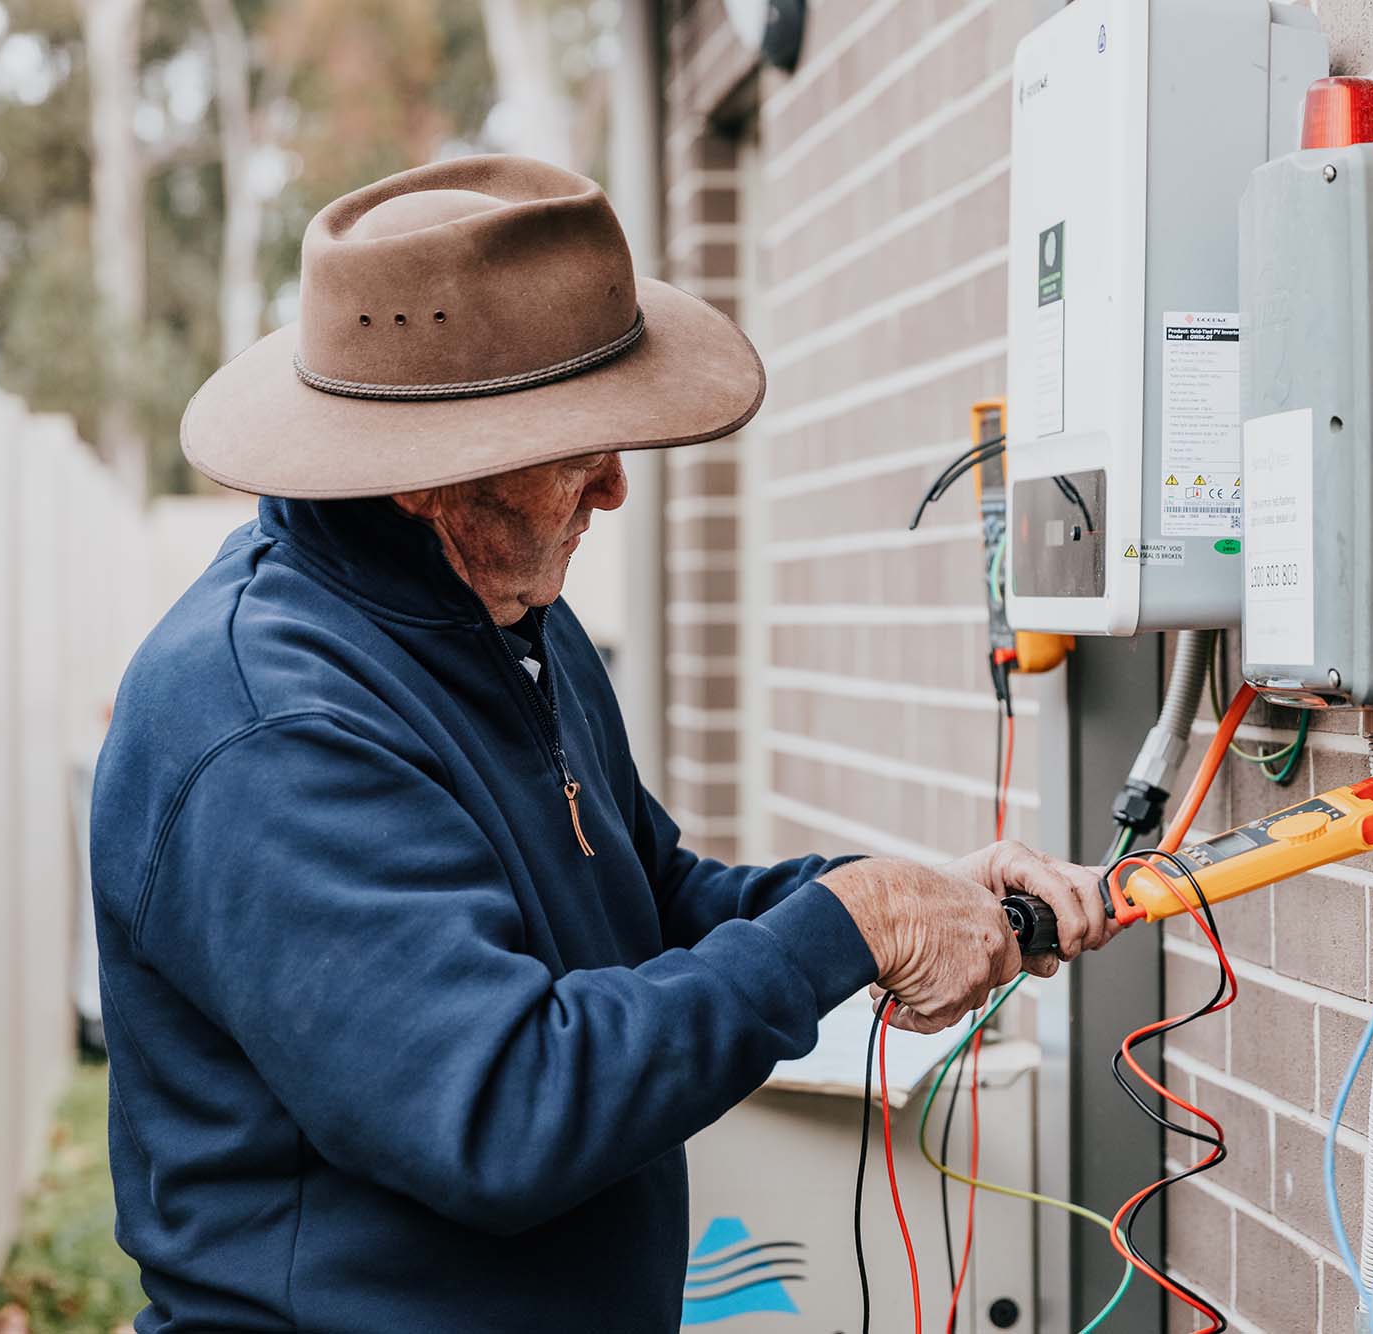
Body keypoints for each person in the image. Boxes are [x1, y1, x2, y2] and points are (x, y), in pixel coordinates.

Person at [90, 155, 1127, 1333]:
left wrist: (894, 894)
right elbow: (503, 1107)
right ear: (429, 476)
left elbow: (647, 896)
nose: (617, 486)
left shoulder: (509, 613)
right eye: (577, 442)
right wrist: (853, 926)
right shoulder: (267, 727)